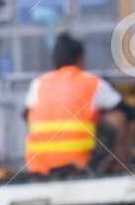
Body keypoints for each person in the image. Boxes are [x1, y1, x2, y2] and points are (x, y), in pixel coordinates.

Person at [24, 33, 127, 175]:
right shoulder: (92, 83)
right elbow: (129, 113)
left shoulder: (38, 84)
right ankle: (112, 169)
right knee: (117, 117)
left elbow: (26, 116)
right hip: (79, 167)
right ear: (80, 58)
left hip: (39, 168)